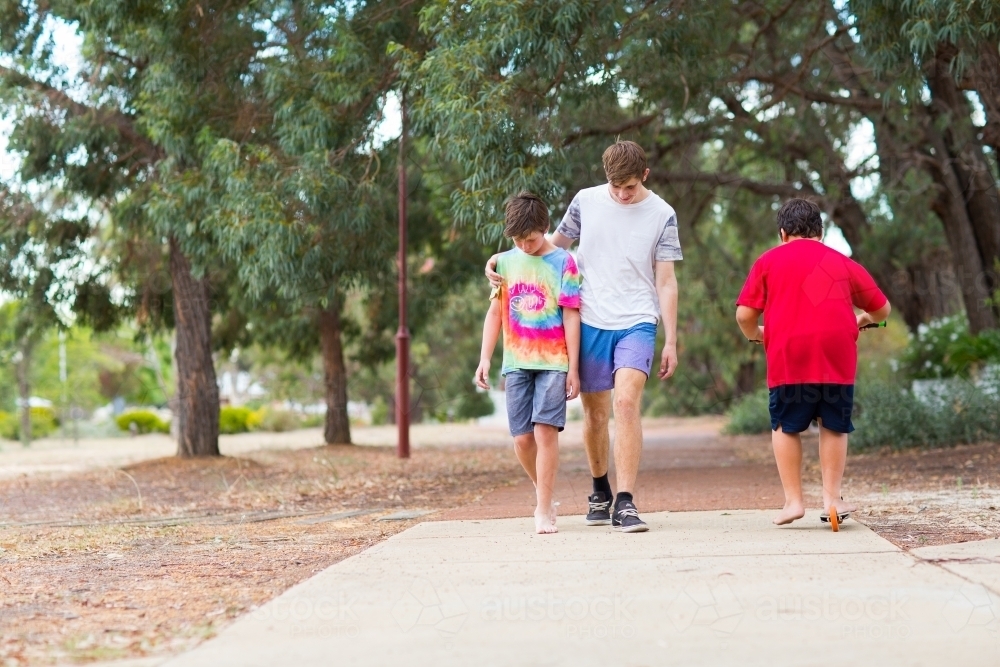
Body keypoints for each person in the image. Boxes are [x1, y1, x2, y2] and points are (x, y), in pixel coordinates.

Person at [486, 141, 682, 533]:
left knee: (625, 403)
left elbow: (666, 279)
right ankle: (600, 489)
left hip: (638, 319)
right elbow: (549, 247)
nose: (622, 195)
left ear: (644, 175)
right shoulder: (586, 201)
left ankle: (625, 502)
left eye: (629, 186)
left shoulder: (663, 214)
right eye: (615, 187)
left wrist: (672, 340)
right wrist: (497, 262)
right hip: (590, 317)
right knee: (595, 412)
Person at [735, 198, 891, 526]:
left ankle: (793, 502)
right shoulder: (842, 262)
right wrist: (861, 320)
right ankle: (832, 500)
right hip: (836, 353)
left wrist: (758, 334)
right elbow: (882, 310)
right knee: (834, 425)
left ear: (782, 233)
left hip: (789, 352)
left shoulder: (767, 261)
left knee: (785, 425)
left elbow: (744, 315)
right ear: (820, 232)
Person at [475, 191, 582, 534]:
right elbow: (495, 313)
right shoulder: (504, 263)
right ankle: (545, 495)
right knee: (522, 439)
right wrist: (484, 359)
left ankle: (540, 510)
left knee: (545, 432)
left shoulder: (564, 262)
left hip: (553, 361)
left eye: (531, 238)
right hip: (516, 361)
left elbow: (571, 316)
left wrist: (574, 368)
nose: (525, 245)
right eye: (518, 239)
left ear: (545, 227)